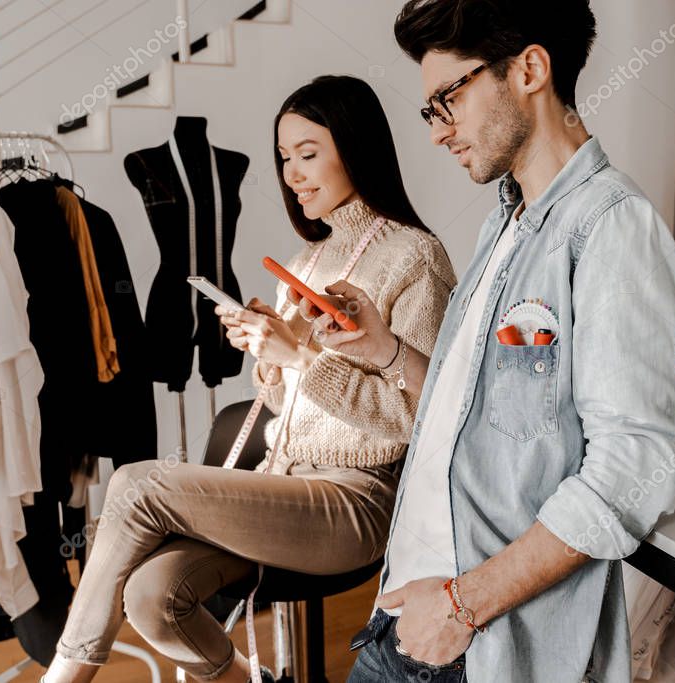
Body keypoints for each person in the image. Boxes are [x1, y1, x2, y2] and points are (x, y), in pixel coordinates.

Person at [295, 2, 675, 682]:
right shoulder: (504, 224)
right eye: (430, 111)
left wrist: (461, 605)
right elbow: (477, 415)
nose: (438, 131)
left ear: (531, 69)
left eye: (449, 99)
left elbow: (632, 470)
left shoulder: (613, 229)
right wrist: (385, 349)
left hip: (480, 641)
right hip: (404, 614)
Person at [42, 75, 456, 683]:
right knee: (153, 598)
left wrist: (298, 359)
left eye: (308, 154)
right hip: (283, 482)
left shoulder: (415, 258)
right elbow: (293, 399)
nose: (292, 174)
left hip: (358, 500)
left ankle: (65, 674)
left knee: (134, 484)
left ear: (356, 147)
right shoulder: (305, 261)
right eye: (284, 158)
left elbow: (414, 418)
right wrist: (267, 352)